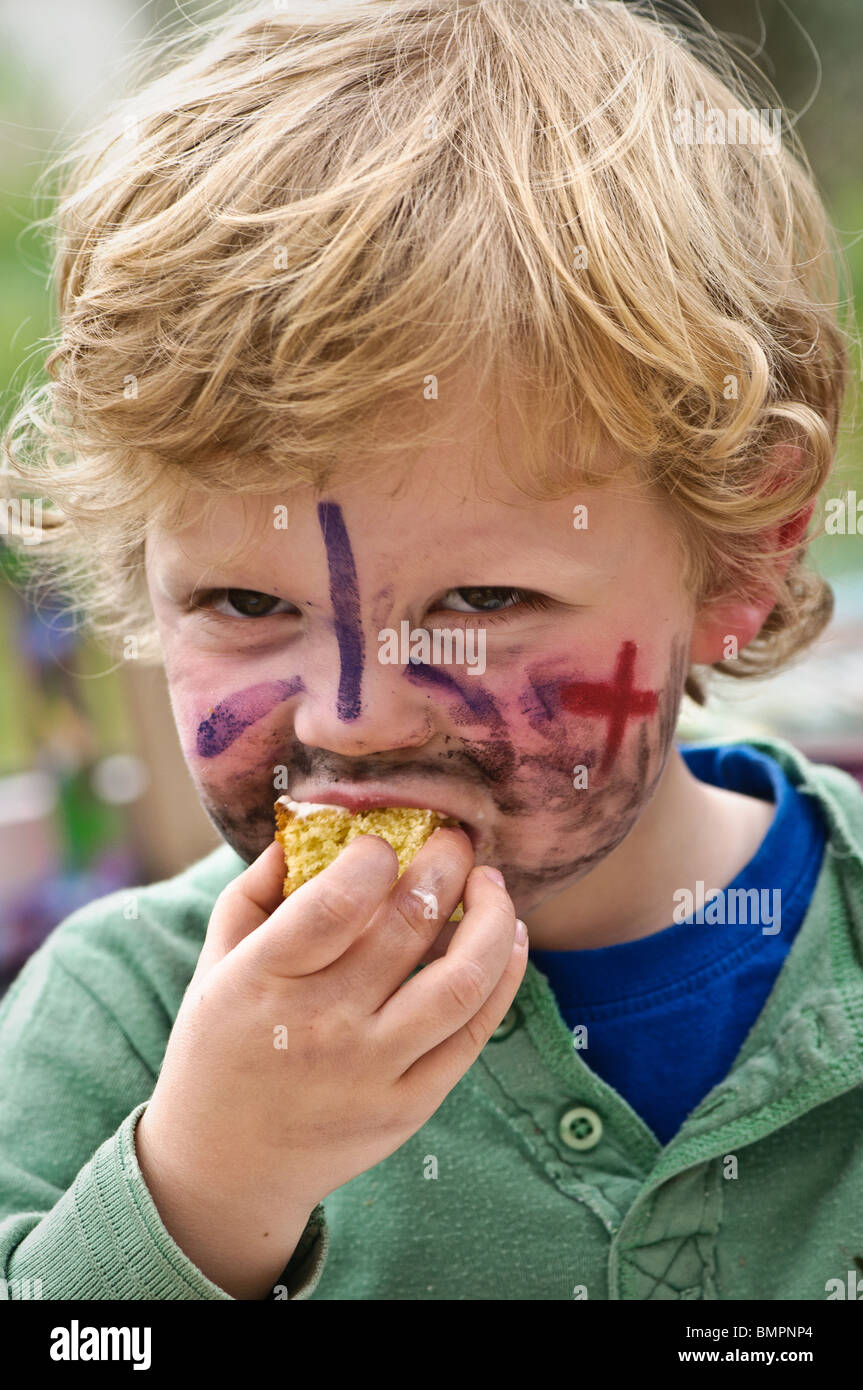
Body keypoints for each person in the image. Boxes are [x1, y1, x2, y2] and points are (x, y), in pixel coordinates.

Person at [1, 0, 858, 1300]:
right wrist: (205, 1190)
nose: (351, 719)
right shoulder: (117, 1017)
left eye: (481, 598)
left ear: (744, 556)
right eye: (243, 603)